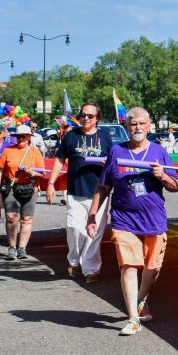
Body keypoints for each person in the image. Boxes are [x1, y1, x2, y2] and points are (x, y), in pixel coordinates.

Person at [88, 107, 178, 335]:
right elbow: (103, 187)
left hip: (154, 220)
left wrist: (163, 176)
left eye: (141, 123)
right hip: (124, 219)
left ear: (148, 126)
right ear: (126, 127)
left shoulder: (159, 152)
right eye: (132, 124)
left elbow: (175, 186)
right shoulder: (116, 152)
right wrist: (92, 216)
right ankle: (133, 318)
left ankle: (140, 299)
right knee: (128, 266)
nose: (137, 127)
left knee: (153, 268)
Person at [47, 103, 113, 284]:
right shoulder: (71, 136)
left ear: (97, 118)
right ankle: (74, 260)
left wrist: (106, 164)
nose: (86, 118)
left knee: (94, 234)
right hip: (75, 192)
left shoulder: (105, 137)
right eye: (83, 115)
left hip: (99, 193)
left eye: (90, 116)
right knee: (75, 229)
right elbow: (59, 160)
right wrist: (51, 184)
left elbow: (113, 163)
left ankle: (91, 269)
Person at [0, 125, 45, 261]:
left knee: (26, 219)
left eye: (23, 136)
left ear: (29, 137)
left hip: (30, 189)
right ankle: (12, 247)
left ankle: (22, 248)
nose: (20, 139)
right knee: (11, 217)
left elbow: (42, 173)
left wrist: (32, 173)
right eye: (18, 136)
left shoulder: (35, 152)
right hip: (11, 188)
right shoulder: (8, 151)